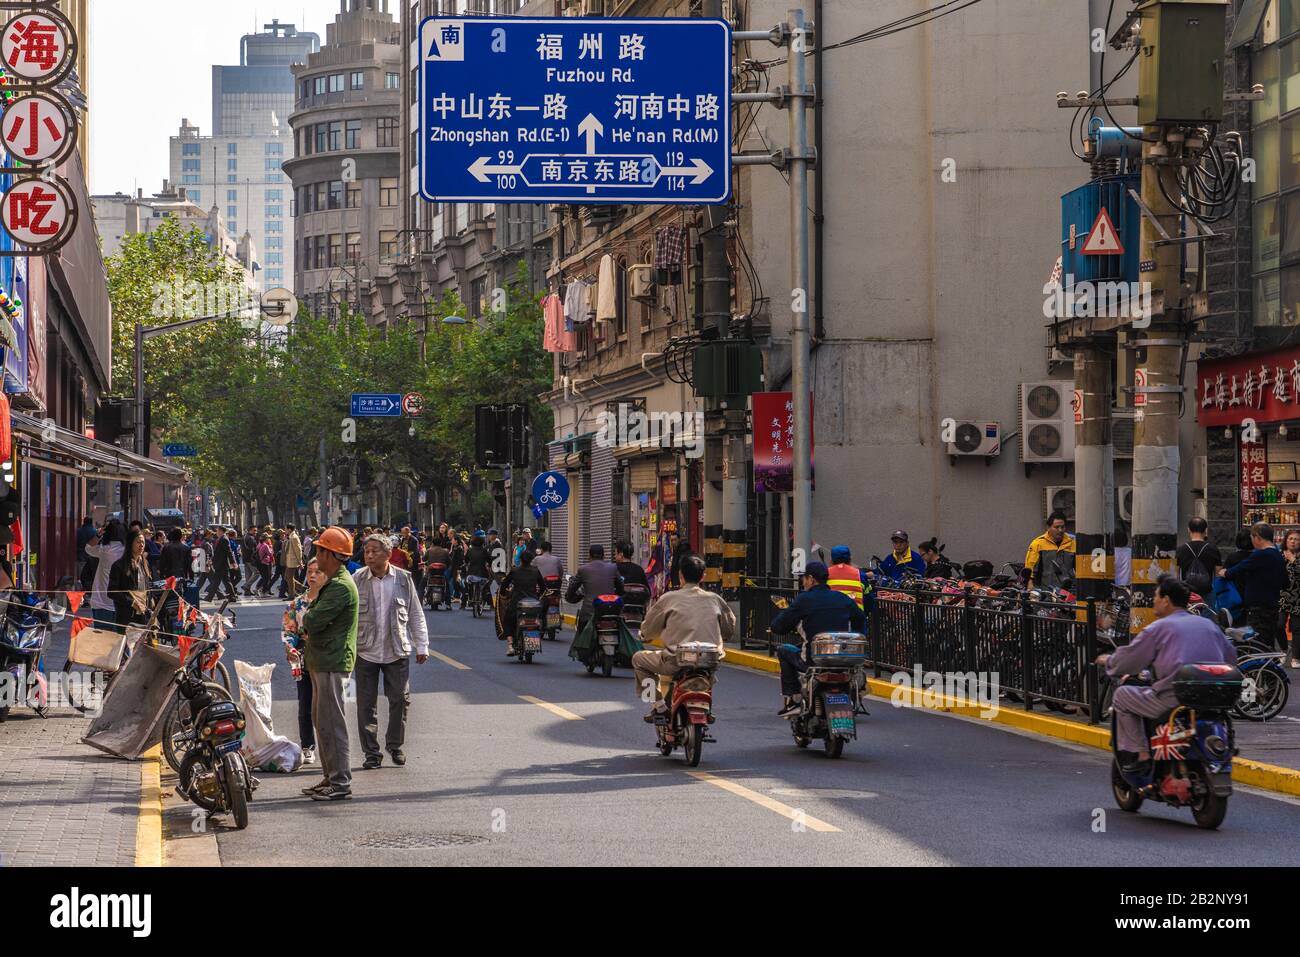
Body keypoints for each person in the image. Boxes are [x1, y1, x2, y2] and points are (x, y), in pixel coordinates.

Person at [1099, 575, 1236, 775]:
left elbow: (1129, 659)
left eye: (1155, 595)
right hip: (1214, 698)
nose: (1153, 600)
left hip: (1174, 698)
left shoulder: (1158, 628)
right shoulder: (1209, 625)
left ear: (1166, 600)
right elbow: (1231, 658)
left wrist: (1109, 661)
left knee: (1121, 696)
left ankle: (1142, 755)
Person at [352, 534, 428, 769]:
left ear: (388, 553)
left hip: (397, 649)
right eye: (367, 551)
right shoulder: (357, 579)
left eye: (375, 550)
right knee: (366, 704)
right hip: (365, 650)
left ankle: (395, 745)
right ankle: (371, 753)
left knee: (400, 699)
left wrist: (421, 644)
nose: (370, 555)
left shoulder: (404, 579)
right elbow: (349, 616)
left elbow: (415, 612)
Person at [633, 553, 734, 721]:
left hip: (676, 661)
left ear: (680, 575)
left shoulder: (669, 599)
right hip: (709, 661)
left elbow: (649, 629)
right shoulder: (715, 600)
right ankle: (706, 708)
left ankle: (658, 706)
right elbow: (729, 630)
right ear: (703, 576)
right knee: (709, 668)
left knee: (638, 660)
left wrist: (645, 635)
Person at [299, 526, 358, 801]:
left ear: (331, 554)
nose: (316, 555)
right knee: (322, 723)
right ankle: (330, 776)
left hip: (332, 660)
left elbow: (312, 619)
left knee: (333, 724)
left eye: (320, 550)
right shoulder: (334, 583)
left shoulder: (340, 587)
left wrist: (307, 617)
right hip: (322, 659)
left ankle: (340, 781)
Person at [769, 561, 866, 718]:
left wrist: (777, 627)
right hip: (843, 660)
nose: (803, 582)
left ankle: (794, 699)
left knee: (783, 650)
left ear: (811, 579)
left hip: (814, 660)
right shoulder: (842, 598)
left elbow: (779, 626)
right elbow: (860, 618)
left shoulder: (804, 599)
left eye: (804, 578)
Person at [282, 558, 327, 766]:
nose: (312, 576)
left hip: (328, 658)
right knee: (305, 704)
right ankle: (308, 746)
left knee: (328, 705)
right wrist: (290, 647)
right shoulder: (297, 603)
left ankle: (330, 746)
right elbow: (289, 630)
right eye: (309, 572)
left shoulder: (331, 601)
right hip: (303, 657)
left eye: (317, 572)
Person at [1220, 522, 1289, 652]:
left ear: (1257, 537)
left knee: (1257, 644)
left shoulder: (1260, 555)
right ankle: (1269, 670)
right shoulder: (1278, 555)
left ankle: (1262, 671)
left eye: (1252, 538)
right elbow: (1286, 583)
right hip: (1272, 606)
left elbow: (1236, 570)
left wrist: (1225, 572)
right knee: (1268, 643)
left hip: (1258, 608)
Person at [565, 543, 623, 630]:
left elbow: (573, 587)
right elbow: (621, 588)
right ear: (604, 555)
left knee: (581, 636)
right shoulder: (612, 568)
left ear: (589, 556)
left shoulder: (583, 569)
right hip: (611, 610)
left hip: (589, 613)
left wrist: (569, 597)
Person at [499, 548, 545, 653]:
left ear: (520, 559)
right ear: (531, 560)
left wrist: (502, 593)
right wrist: (538, 596)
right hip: (533, 602)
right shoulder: (536, 570)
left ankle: (510, 645)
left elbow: (504, 584)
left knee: (508, 619)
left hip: (517, 601)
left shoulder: (515, 570)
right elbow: (542, 587)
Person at [85, 521, 126, 630]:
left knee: (103, 641)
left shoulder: (104, 549)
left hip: (101, 601)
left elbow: (88, 547)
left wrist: (98, 535)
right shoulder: (127, 551)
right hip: (122, 602)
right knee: (120, 642)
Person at [108, 529, 151, 630]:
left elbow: (147, 588)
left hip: (143, 615)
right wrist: (132, 602)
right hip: (126, 616)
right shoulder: (119, 565)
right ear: (130, 543)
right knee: (125, 645)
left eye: (143, 542)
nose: (141, 545)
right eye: (138, 541)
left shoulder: (144, 564)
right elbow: (111, 592)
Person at [1024, 511, 1075, 590]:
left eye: (1063, 527)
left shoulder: (1073, 543)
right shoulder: (1038, 544)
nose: (1060, 530)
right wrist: (1030, 585)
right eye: (1056, 527)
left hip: (1068, 593)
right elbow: (1030, 568)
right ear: (1048, 527)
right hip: (1045, 592)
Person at [1174, 517, 1221, 598]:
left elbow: (1176, 575)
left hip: (1187, 593)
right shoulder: (1213, 549)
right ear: (1205, 530)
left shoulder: (1181, 549)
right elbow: (1218, 574)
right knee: (1207, 610)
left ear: (1189, 530)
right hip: (1207, 591)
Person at [464, 533, 493, 609]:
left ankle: (469, 598)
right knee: (486, 585)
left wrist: (466, 564)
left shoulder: (470, 550)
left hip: (471, 573)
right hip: (482, 573)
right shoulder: (484, 550)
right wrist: (489, 565)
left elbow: (466, 560)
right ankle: (486, 599)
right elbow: (489, 560)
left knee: (468, 584)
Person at [283, 524, 303, 599]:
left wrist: (300, 562)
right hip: (289, 561)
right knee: (287, 577)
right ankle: (302, 588)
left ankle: (291, 595)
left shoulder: (294, 537)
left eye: (286, 529)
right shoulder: (290, 537)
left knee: (289, 578)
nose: (285, 530)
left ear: (289, 529)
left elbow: (298, 550)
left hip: (293, 561)